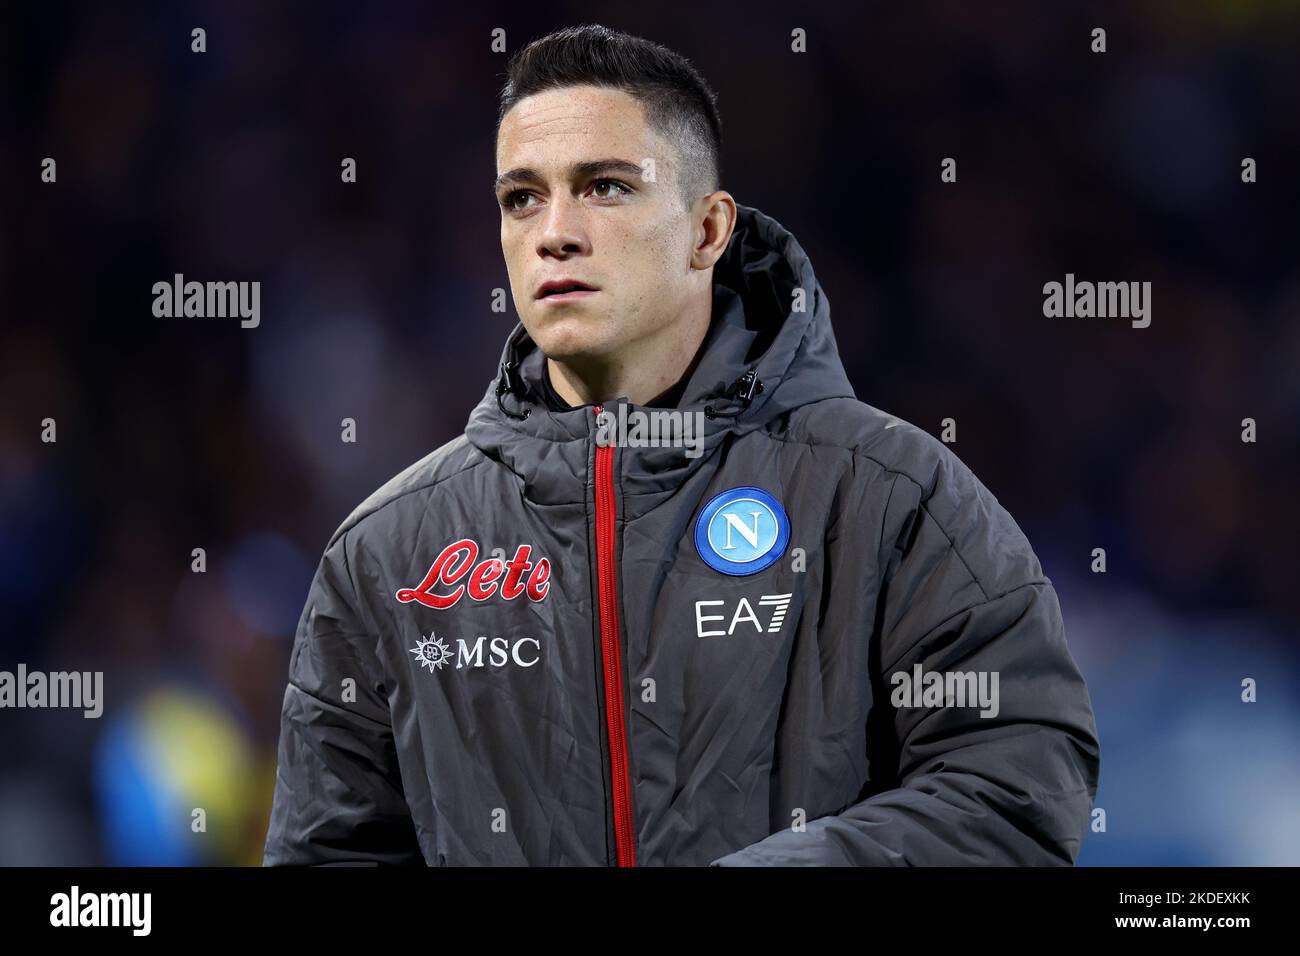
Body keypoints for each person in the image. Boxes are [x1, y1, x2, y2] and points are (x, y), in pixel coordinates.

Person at [263, 23, 1100, 866]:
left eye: (605, 188)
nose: (554, 231)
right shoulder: (392, 552)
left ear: (708, 231)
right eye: (522, 197)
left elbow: (1014, 788)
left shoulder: (893, 499)